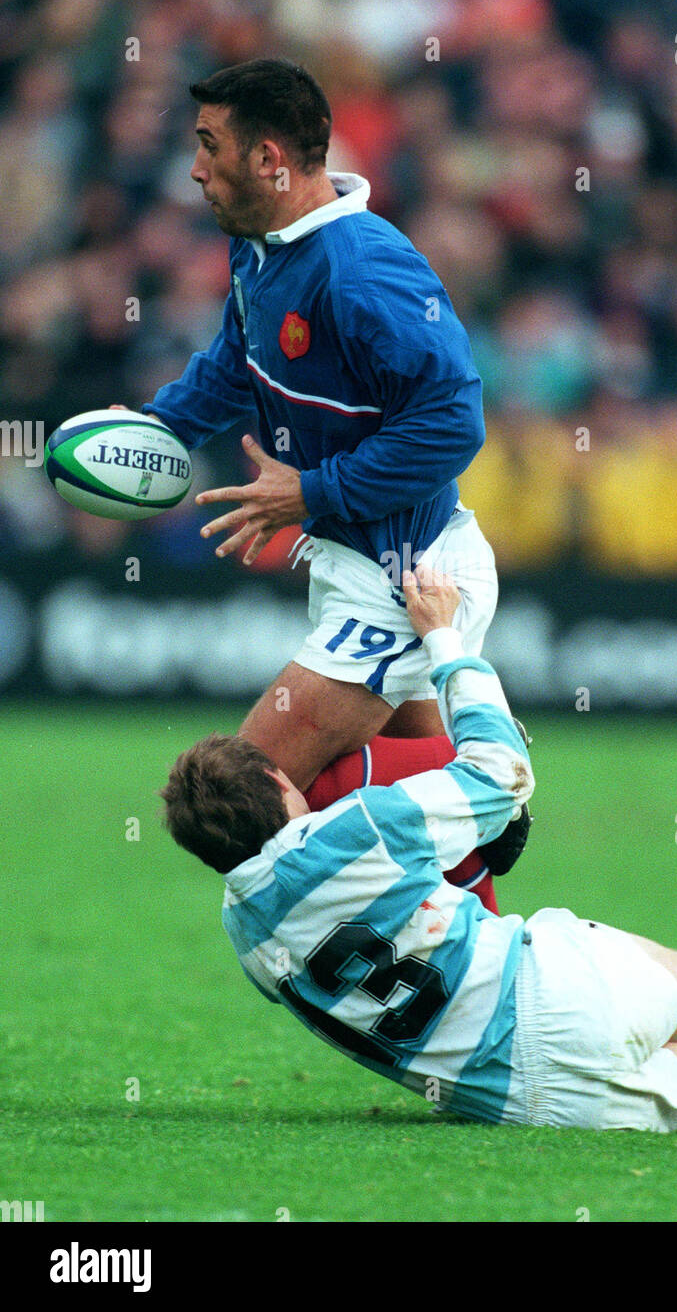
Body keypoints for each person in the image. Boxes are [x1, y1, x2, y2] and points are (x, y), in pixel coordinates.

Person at [161, 567, 677, 1132]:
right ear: (277, 782)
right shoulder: (355, 829)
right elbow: (502, 773)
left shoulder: (246, 938)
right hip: (562, 999)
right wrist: (446, 644)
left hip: (524, 1103)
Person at [126, 56, 528, 898]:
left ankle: (499, 798)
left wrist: (310, 493)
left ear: (269, 159)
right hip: (358, 569)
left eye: (209, 146)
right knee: (443, 840)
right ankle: (493, 961)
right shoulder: (262, 255)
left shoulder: (363, 270)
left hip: (405, 575)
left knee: (233, 797)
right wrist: (151, 433)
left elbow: (453, 425)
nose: (194, 169)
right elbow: (235, 364)